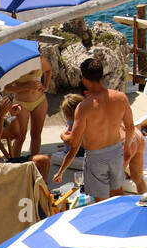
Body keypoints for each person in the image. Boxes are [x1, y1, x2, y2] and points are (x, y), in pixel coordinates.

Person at [53, 58, 134, 200]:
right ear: (102, 76)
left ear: (84, 79)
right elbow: (130, 128)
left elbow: (73, 142)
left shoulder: (84, 107)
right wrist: (126, 149)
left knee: (100, 201)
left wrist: (63, 135)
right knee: (119, 196)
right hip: (116, 152)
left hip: (96, 157)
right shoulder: (121, 97)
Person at [0, 92, 50, 181]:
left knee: (43, 160)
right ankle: (40, 193)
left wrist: (11, 115)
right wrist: (1, 116)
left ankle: (42, 192)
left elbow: (14, 133)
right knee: (39, 163)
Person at [2, 61, 52, 157]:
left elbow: (48, 69)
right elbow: (6, 88)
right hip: (21, 103)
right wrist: (26, 86)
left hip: (40, 100)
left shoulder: (39, 58)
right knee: (20, 136)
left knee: (36, 134)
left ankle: (35, 162)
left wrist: (46, 86)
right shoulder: (15, 64)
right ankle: (15, 164)